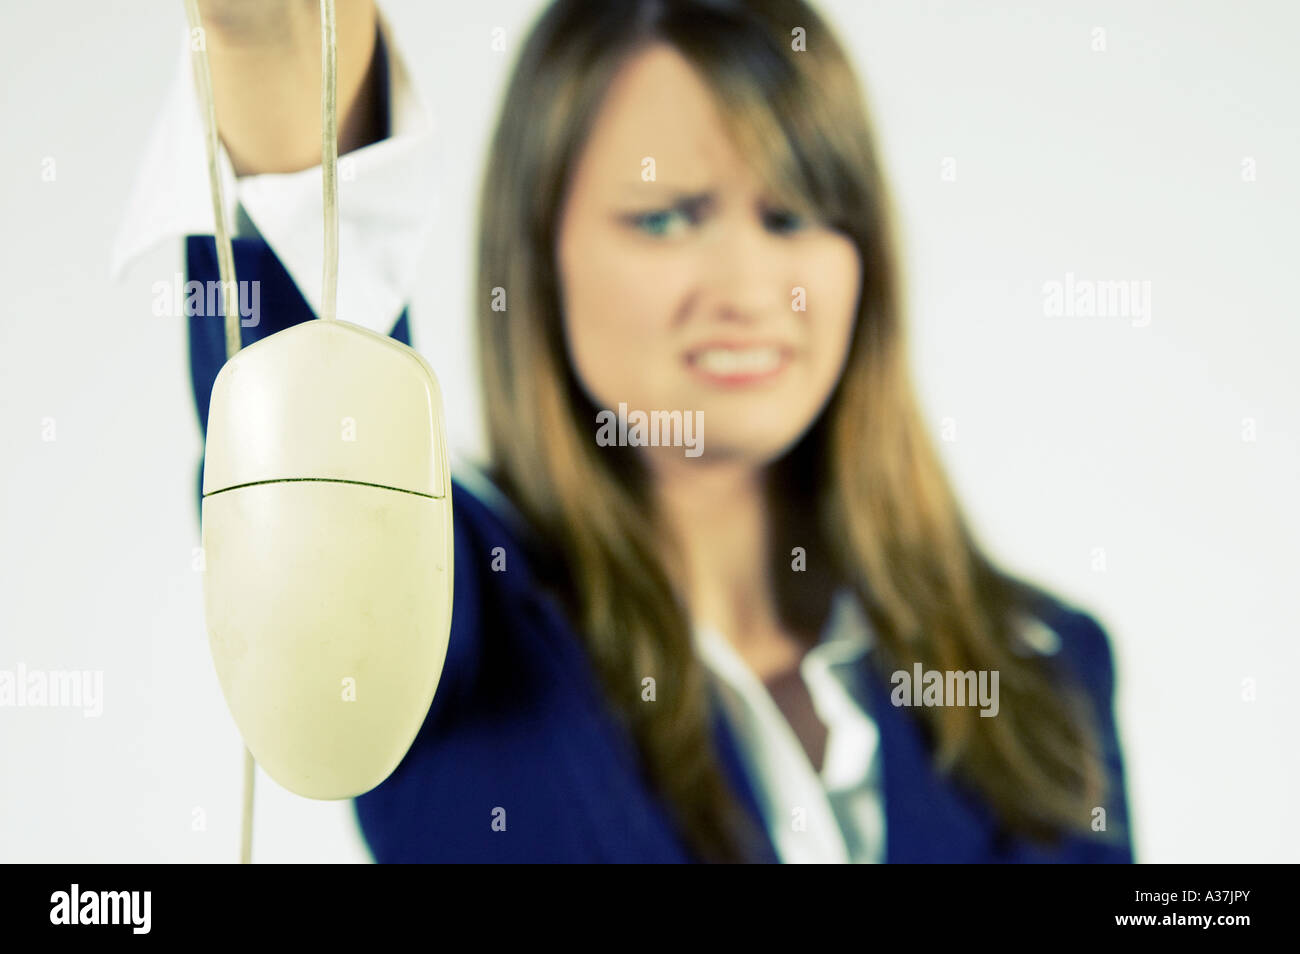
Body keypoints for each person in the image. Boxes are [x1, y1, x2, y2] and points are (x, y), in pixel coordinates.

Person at [117, 0, 1134, 863]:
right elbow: (310, 372)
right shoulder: (460, 623)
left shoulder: (1042, 662)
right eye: (665, 217)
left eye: (792, 218)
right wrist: (273, 46)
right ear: (539, 252)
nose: (747, 288)